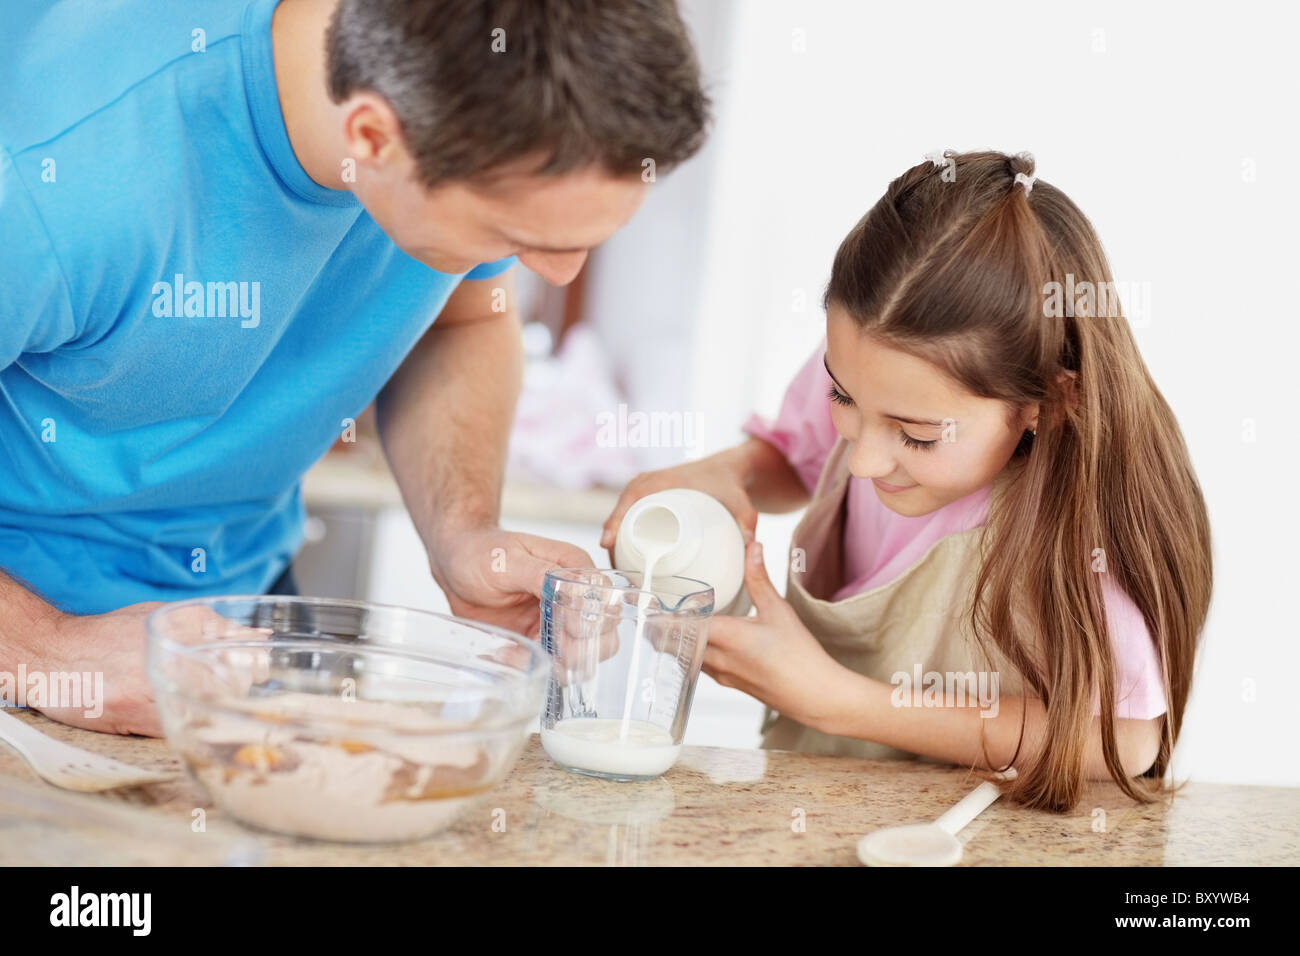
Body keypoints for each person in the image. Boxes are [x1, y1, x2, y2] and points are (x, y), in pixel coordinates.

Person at [0, 0, 709, 735]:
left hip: (236, 612)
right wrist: (50, 654)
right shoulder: (51, 172)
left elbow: (462, 319)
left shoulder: (473, 104)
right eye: (518, 236)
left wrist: (462, 533)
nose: (560, 275)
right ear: (372, 136)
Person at [602, 150, 1212, 812]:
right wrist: (728, 473)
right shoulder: (874, 368)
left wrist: (843, 703)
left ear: (1047, 403)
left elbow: (1123, 742)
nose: (862, 460)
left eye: (917, 435)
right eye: (842, 398)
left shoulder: (1081, 526)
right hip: (816, 811)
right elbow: (795, 458)